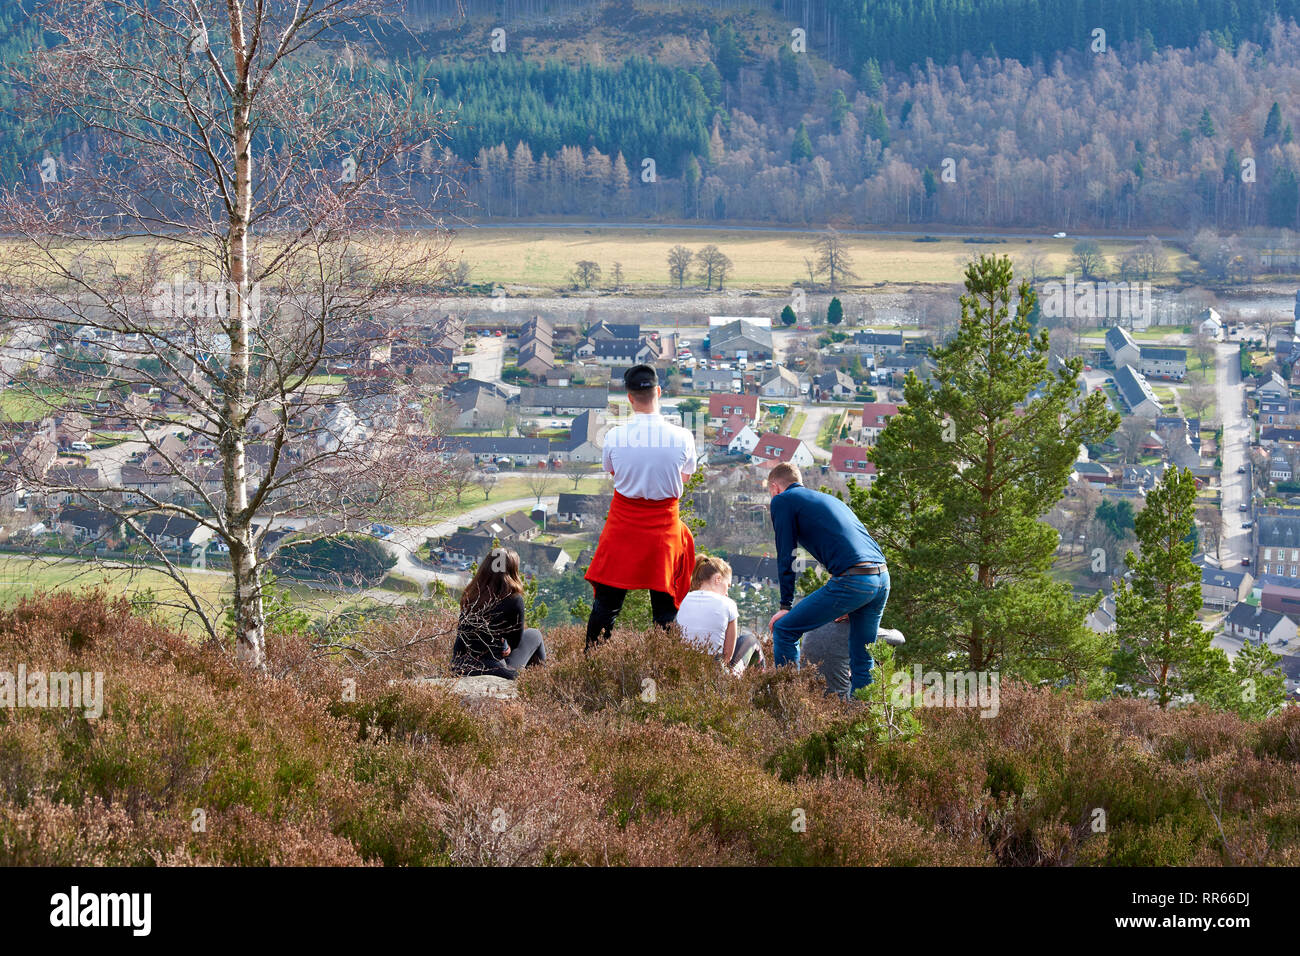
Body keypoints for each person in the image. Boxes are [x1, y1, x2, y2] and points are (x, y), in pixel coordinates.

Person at [584, 364, 698, 649]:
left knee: (607, 605)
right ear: (658, 392)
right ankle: (666, 668)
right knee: (665, 606)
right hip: (664, 529)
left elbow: (613, 474)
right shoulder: (683, 437)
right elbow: (684, 477)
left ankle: (591, 662)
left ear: (629, 398)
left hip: (623, 526)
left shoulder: (614, 436)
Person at [766, 462, 889, 694]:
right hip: (881, 578)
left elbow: (786, 555)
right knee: (862, 660)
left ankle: (789, 706)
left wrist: (785, 605)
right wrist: (850, 601)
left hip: (854, 580)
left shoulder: (782, 500)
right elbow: (849, 545)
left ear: (775, 487)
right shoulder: (827, 500)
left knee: (784, 629)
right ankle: (864, 722)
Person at [451, 547, 546, 679]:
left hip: (460, 666)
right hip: (493, 668)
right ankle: (539, 685)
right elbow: (515, 642)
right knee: (534, 634)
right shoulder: (513, 598)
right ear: (513, 571)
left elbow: (461, 638)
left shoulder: (471, 595)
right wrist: (505, 644)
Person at [674, 554, 765, 674]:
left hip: (683, 669)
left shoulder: (683, 599)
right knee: (750, 640)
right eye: (728, 586)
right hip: (715, 674)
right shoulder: (728, 604)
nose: (727, 593)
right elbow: (727, 657)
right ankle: (765, 687)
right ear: (718, 579)